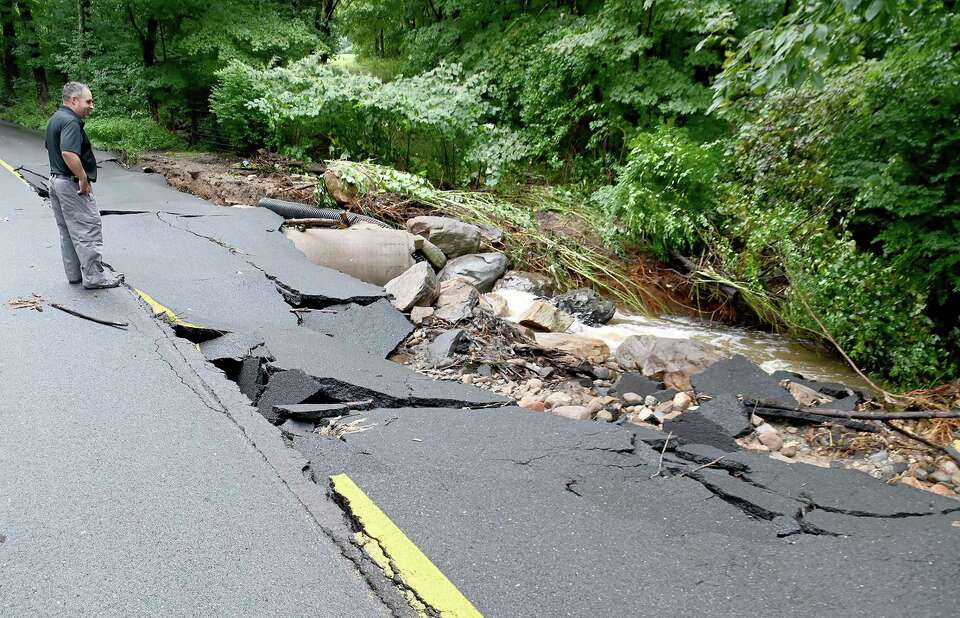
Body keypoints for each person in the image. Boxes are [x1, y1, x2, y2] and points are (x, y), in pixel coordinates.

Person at [45, 81, 123, 289]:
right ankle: (95, 277)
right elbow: (68, 153)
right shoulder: (71, 121)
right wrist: (82, 177)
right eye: (88, 101)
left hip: (55, 180)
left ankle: (75, 275)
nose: (91, 106)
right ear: (73, 100)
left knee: (67, 230)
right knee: (87, 227)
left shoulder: (55, 118)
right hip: (70, 184)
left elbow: (51, 148)